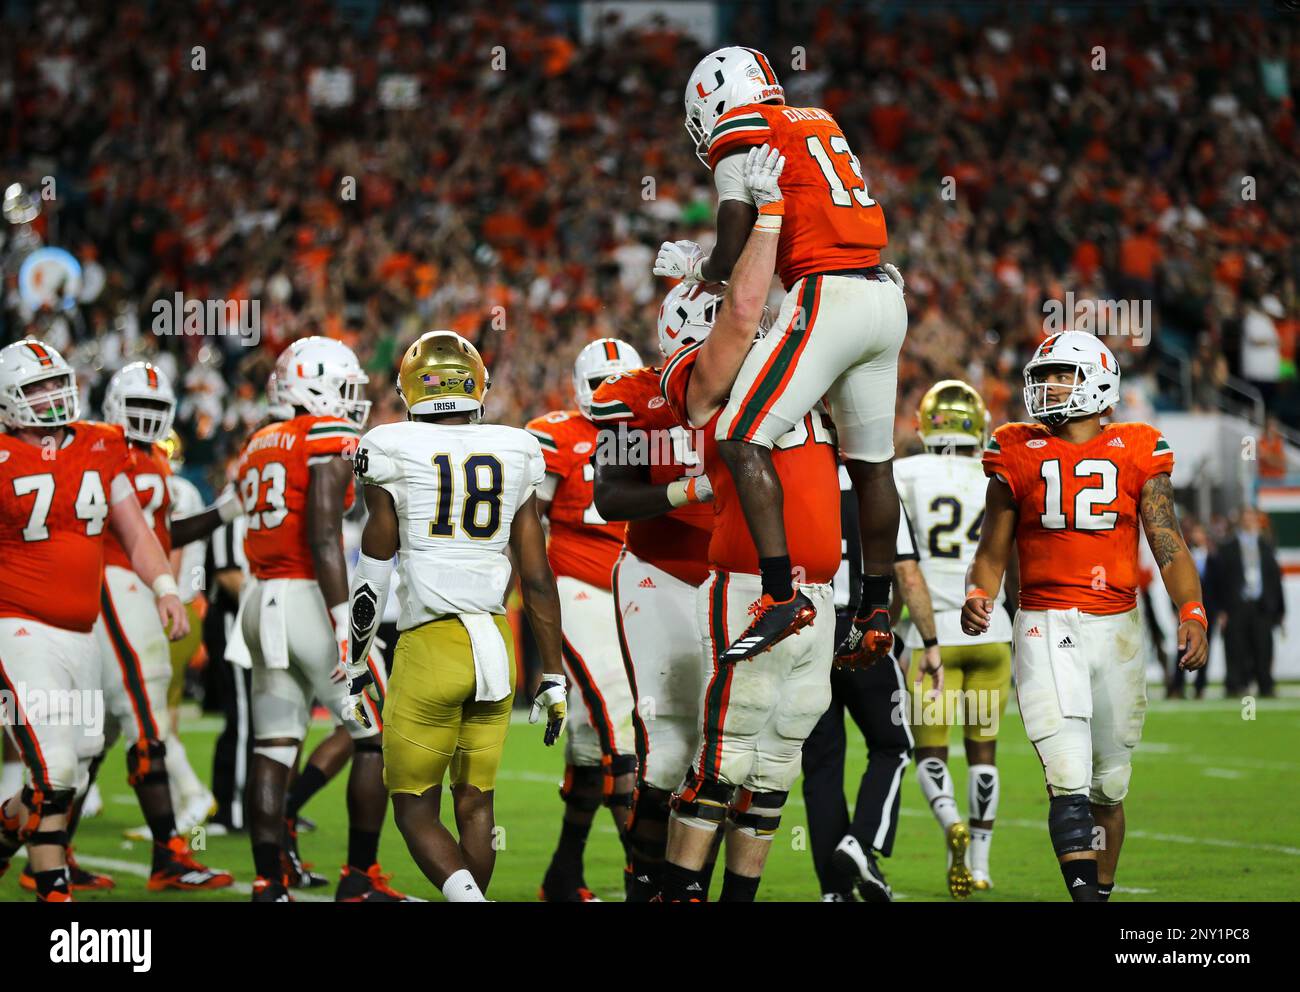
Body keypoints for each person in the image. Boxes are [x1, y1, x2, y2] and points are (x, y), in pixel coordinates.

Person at [655, 48, 907, 668]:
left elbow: (734, 251)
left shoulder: (741, 132)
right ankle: (876, 609)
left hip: (829, 294)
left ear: (715, 97)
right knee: (873, 464)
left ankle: (778, 594)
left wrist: (695, 264)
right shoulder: (819, 118)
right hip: (886, 294)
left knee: (740, 437)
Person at [962, 330, 1209, 902]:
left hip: (1117, 629)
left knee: (1109, 786)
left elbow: (1165, 537)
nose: (1048, 385)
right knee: (1067, 773)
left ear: (1099, 382)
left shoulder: (1139, 445)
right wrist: (980, 591)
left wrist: (1191, 609)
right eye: (1043, 374)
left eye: (1062, 374)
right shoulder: (1014, 447)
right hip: (1045, 622)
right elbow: (992, 549)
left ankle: (1099, 890)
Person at [656, 147, 840, 901]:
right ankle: (676, 891)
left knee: (778, 759)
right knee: (727, 753)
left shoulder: (795, 368)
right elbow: (737, 316)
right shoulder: (697, 377)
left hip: (820, 589)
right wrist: (760, 222)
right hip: (747, 587)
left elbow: (791, 305)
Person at [343, 330, 568, 902]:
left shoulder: (391, 446)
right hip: (495, 644)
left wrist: (356, 656)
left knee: (414, 807)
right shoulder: (516, 447)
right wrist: (554, 674)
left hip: (432, 644)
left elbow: (375, 569)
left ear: (410, 391)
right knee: (477, 804)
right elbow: (538, 577)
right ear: (478, 387)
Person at [0, 340, 195, 900]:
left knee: (74, 767)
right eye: (36, 387)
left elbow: (133, 527)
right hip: (20, 627)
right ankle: (52, 887)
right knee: (56, 766)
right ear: (11, 399)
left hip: (82, 633)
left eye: (56, 382)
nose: (52, 395)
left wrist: (164, 586)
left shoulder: (100, 445)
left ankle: (10, 835)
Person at [234, 336, 403, 902]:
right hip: (309, 596)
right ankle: (359, 877)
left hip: (260, 600)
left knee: (273, 744)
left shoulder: (260, 441)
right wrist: (343, 625)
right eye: (345, 388)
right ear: (314, 385)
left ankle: (267, 883)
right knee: (379, 732)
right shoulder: (325, 436)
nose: (354, 402)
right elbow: (323, 534)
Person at [590, 285, 717, 900]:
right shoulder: (635, 398)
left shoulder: (760, 387)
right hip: (657, 572)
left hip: (732, 578)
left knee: (724, 751)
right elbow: (609, 498)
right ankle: (646, 886)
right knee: (668, 745)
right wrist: (687, 493)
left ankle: (690, 885)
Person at [524, 338, 642, 902]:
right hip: (575, 588)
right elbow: (527, 527)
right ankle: (652, 877)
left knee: (592, 747)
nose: (612, 393)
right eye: (602, 382)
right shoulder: (557, 433)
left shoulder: (653, 433)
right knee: (621, 727)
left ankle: (561, 877)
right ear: (580, 386)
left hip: (632, 593)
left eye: (623, 380)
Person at [894, 381, 1011, 896]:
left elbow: (897, 560)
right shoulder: (996, 473)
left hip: (932, 635)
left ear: (927, 425)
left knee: (931, 753)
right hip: (992, 630)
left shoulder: (906, 472)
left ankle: (950, 825)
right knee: (983, 753)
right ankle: (980, 864)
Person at [800, 476, 928, 903]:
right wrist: (930, 643)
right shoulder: (875, 485)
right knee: (894, 745)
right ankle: (862, 841)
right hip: (858, 627)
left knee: (821, 765)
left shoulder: (794, 480)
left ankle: (833, 892)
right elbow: (906, 574)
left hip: (803, 634)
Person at [1211, 508, 1284, 698]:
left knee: (1263, 646)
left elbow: (1275, 579)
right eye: (1247, 517)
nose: (1250, 521)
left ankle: (1265, 684)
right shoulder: (1228, 547)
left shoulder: (1266, 546)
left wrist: (1279, 608)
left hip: (1261, 604)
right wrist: (1221, 609)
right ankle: (1235, 685)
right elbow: (1219, 580)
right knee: (1235, 646)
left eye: (1253, 517)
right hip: (1236, 605)